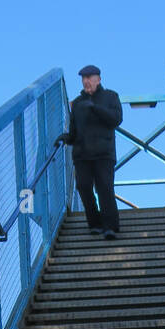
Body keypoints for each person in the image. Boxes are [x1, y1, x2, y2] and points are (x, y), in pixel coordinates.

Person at [56, 65, 123, 239]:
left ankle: (110, 226)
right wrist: (65, 137)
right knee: (83, 187)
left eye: (90, 78)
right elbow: (74, 131)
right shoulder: (77, 103)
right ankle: (95, 223)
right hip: (82, 154)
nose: (86, 81)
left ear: (98, 79)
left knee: (104, 188)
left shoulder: (111, 97)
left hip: (104, 153)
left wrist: (95, 108)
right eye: (83, 78)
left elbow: (116, 120)